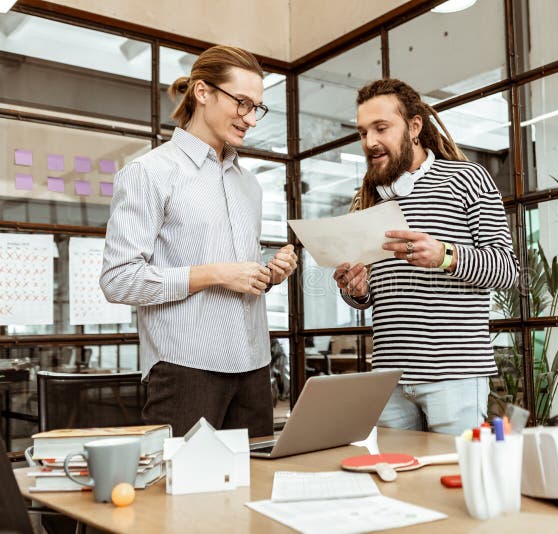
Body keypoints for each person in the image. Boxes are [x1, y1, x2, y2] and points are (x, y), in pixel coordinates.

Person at [100, 45, 297, 437]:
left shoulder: (249, 185)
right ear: (203, 93)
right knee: (181, 498)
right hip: (185, 371)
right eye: (242, 103)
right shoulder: (149, 173)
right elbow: (118, 279)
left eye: (257, 107)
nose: (250, 119)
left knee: (251, 492)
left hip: (255, 366)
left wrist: (269, 275)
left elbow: (238, 275)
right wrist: (214, 274)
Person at [333, 79, 519, 435]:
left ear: (414, 127)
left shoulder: (469, 180)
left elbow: (506, 269)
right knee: (398, 484)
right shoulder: (367, 199)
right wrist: (355, 289)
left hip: (455, 377)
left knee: (454, 483)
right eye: (362, 132)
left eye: (381, 128)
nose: (369, 141)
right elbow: (369, 295)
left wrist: (445, 256)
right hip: (389, 378)